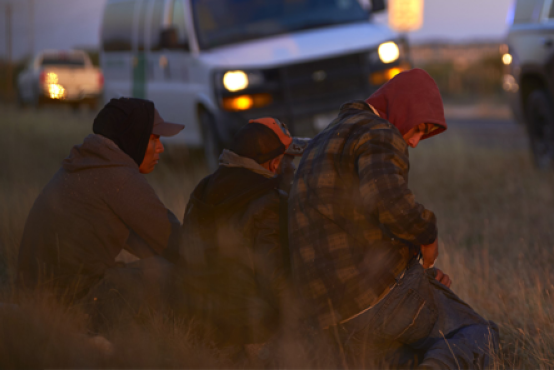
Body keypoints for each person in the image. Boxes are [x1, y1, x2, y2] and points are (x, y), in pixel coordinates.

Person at [288, 69, 497, 369]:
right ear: (403, 106)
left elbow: (357, 221)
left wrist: (417, 270)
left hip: (329, 318)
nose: (415, 142)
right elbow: (388, 202)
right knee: (480, 334)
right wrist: (428, 235)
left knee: (409, 356)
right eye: (418, 128)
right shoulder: (379, 131)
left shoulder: (322, 140)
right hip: (373, 296)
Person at [16, 97, 183, 326]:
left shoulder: (85, 163)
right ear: (133, 137)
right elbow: (177, 241)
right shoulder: (119, 177)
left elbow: (148, 240)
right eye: (154, 138)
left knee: (157, 265)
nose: (161, 147)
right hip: (70, 306)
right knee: (175, 275)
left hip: (35, 299)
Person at [177, 117, 300, 350]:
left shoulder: (203, 188)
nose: (292, 167)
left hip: (198, 316)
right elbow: (274, 278)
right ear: (273, 164)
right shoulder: (269, 202)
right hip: (249, 326)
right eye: (287, 159)